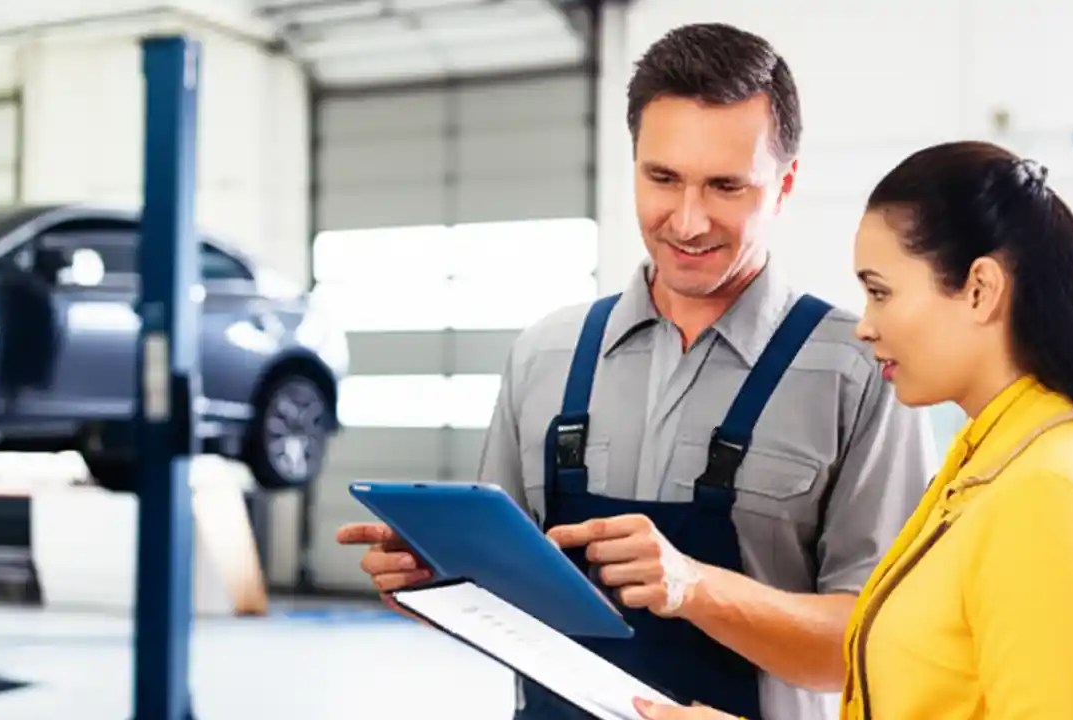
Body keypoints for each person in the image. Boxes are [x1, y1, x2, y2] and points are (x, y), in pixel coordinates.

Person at [336, 22, 934, 720]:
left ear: (784, 185)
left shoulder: (862, 371)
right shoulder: (544, 356)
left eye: (725, 187)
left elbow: (872, 648)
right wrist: (430, 585)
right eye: (663, 178)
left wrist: (694, 588)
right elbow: (499, 605)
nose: (687, 220)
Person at [632, 141, 1073, 720]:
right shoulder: (990, 461)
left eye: (880, 292)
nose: (865, 327)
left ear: (980, 289)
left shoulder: (1048, 492)